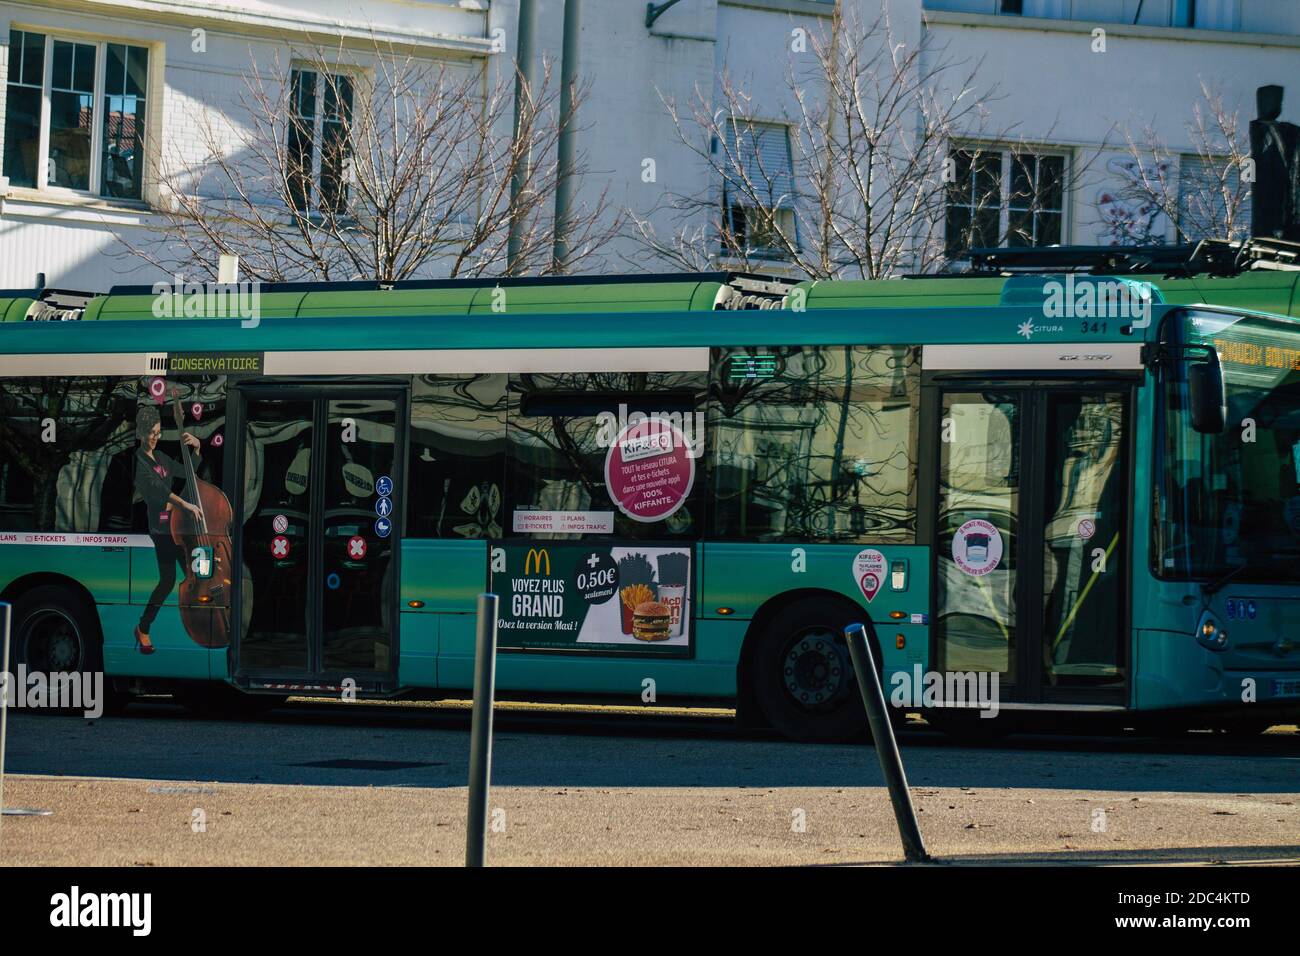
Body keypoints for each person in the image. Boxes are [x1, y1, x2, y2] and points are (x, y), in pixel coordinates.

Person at [133, 405, 203, 654]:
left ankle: (199, 626)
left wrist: (196, 448)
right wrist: (185, 504)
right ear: (142, 432)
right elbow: (158, 491)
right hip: (160, 529)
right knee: (168, 580)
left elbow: (186, 472)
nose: (156, 437)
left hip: (175, 525)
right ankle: (143, 628)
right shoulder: (139, 461)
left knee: (193, 575)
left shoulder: (161, 458)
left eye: (159, 432)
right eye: (152, 432)